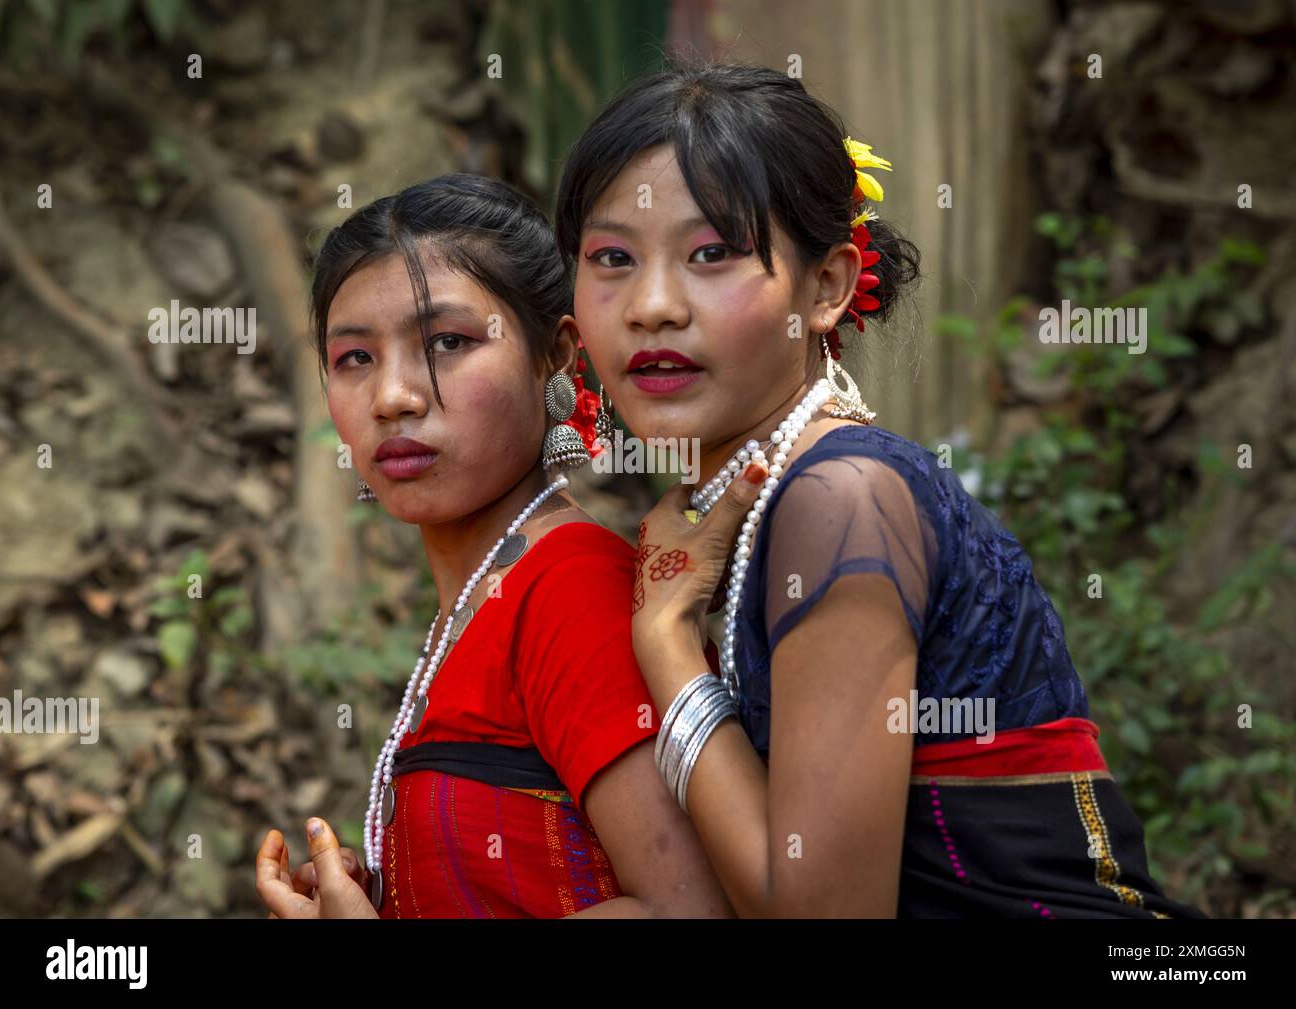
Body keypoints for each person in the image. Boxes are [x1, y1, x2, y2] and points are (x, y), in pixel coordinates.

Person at [558, 62, 1204, 918]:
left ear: (825, 286)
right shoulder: (772, 502)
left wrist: (667, 638)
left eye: (711, 253)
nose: (651, 305)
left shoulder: (843, 497)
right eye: (612, 258)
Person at [255, 173, 730, 918]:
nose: (393, 396)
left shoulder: (573, 587)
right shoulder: (480, 595)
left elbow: (689, 912)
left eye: (447, 342)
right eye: (354, 358)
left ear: (556, 355)